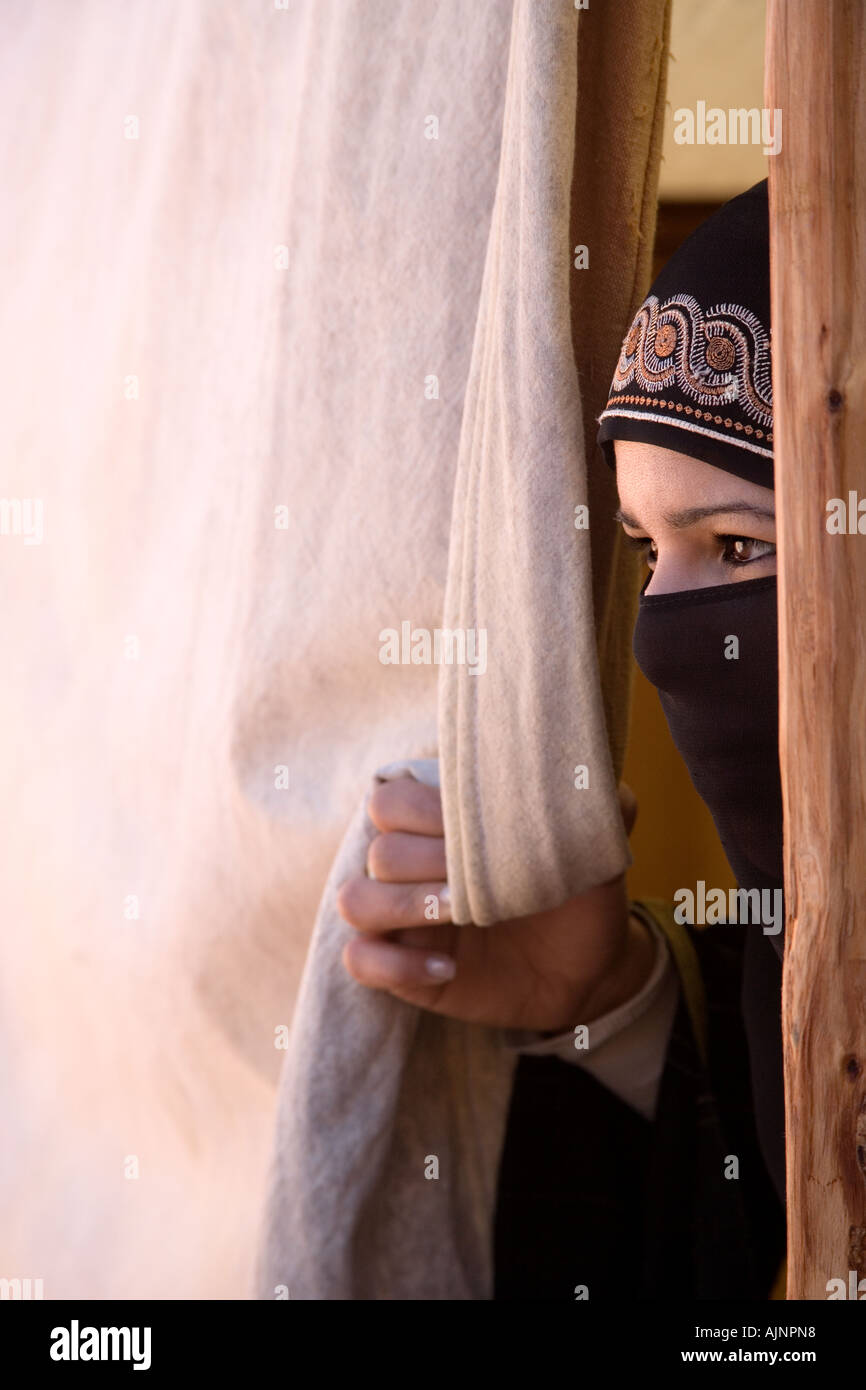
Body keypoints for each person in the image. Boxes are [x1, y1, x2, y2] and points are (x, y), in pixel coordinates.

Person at [336, 179, 787, 1300]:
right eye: (645, 553)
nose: (661, 641)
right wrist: (607, 1008)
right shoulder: (779, 971)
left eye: (735, 548)